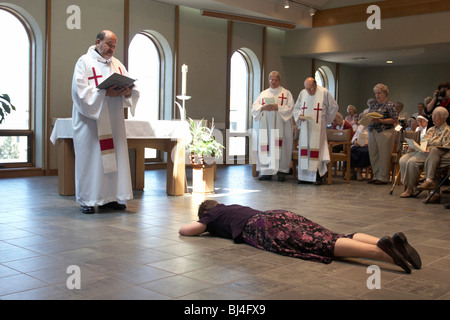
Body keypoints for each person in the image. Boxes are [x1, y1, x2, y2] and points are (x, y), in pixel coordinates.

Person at [179, 200, 422, 274]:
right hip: (276, 213)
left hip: (265, 226)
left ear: (206, 212)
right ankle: (385, 240)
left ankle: (386, 254)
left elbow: (187, 230)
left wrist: (205, 223)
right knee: (330, 234)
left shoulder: (212, 214)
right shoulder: (230, 206)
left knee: (321, 244)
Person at [71, 30, 139, 214]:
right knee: (92, 160)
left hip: (113, 119)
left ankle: (110, 199)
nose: (112, 49)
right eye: (109, 44)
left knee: (114, 159)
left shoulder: (117, 64)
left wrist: (127, 91)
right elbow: (79, 92)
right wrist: (104, 93)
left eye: (114, 46)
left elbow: (131, 91)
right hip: (90, 123)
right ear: (98, 41)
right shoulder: (84, 62)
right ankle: (88, 199)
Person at [399, 107, 450, 203]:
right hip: (423, 151)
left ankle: (410, 189)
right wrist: (415, 147)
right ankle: (412, 186)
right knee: (403, 159)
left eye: (436, 116)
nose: (433, 118)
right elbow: (424, 141)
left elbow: (445, 147)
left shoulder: (447, 130)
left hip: (433, 154)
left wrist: (429, 149)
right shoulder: (430, 129)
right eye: (433, 115)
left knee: (412, 162)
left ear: (444, 118)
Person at [293, 77, 339, 185]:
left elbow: (334, 107)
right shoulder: (303, 93)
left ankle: (317, 176)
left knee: (317, 150)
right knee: (305, 149)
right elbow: (296, 108)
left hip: (318, 127)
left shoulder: (324, 92)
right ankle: (304, 176)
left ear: (315, 85)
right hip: (305, 126)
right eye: (307, 88)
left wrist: (326, 119)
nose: (308, 91)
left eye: (310, 88)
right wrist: (299, 115)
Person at [251, 71, 294, 181]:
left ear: (279, 81)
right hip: (266, 125)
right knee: (267, 145)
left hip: (281, 126)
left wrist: (278, 107)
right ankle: (266, 171)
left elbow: (291, 108)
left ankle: (281, 171)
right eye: (271, 79)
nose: (273, 82)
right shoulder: (264, 93)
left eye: (275, 80)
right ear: (269, 80)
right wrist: (262, 107)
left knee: (281, 145)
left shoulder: (286, 93)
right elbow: (254, 107)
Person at [367, 83, 398, 185]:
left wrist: (380, 120)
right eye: (375, 93)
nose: (377, 95)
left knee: (384, 154)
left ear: (385, 93)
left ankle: (383, 177)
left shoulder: (390, 105)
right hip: (373, 131)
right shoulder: (374, 105)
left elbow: (394, 119)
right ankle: (376, 175)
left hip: (385, 132)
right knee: (373, 154)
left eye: (379, 93)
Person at [350, 112, 370, 180]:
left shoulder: (372, 127)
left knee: (363, 152)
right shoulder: (360, 127)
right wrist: (355, 141)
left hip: (367, 146)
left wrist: (368, 143)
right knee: (351, 150)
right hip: (358, 145)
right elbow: (354, 137)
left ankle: (359, 172)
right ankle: (352, 172)